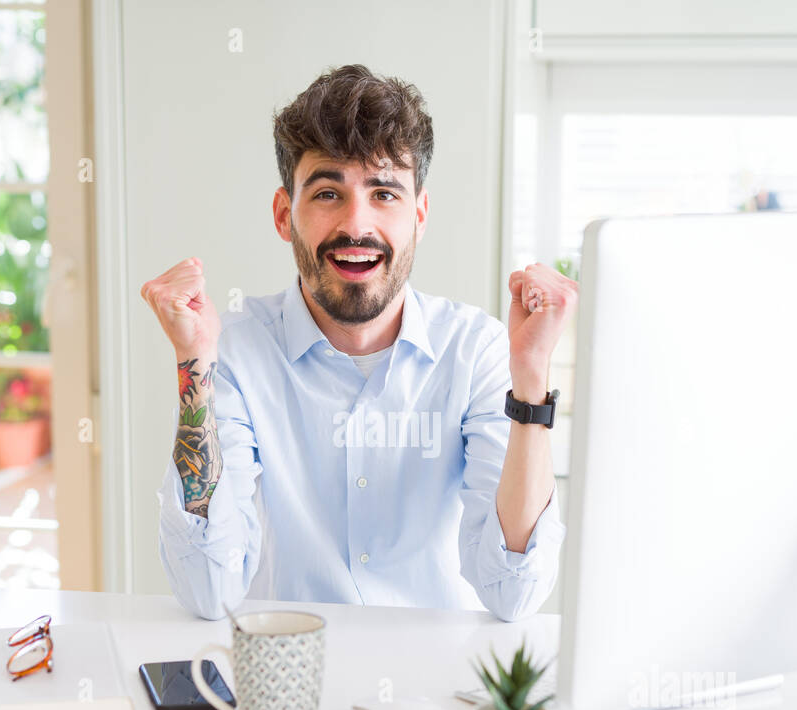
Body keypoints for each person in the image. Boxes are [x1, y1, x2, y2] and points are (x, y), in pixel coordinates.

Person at [142, 64, 576, 621]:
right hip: (291, 676)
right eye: (328, 193)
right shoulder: (234, 352)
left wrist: (532, 377)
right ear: (284, 214)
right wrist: (192, 365)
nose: (356, 224)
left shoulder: (480, 352)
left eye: (384, 193)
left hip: (437, 684)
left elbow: (513, 593)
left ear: (419, 215)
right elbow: (207, 589)